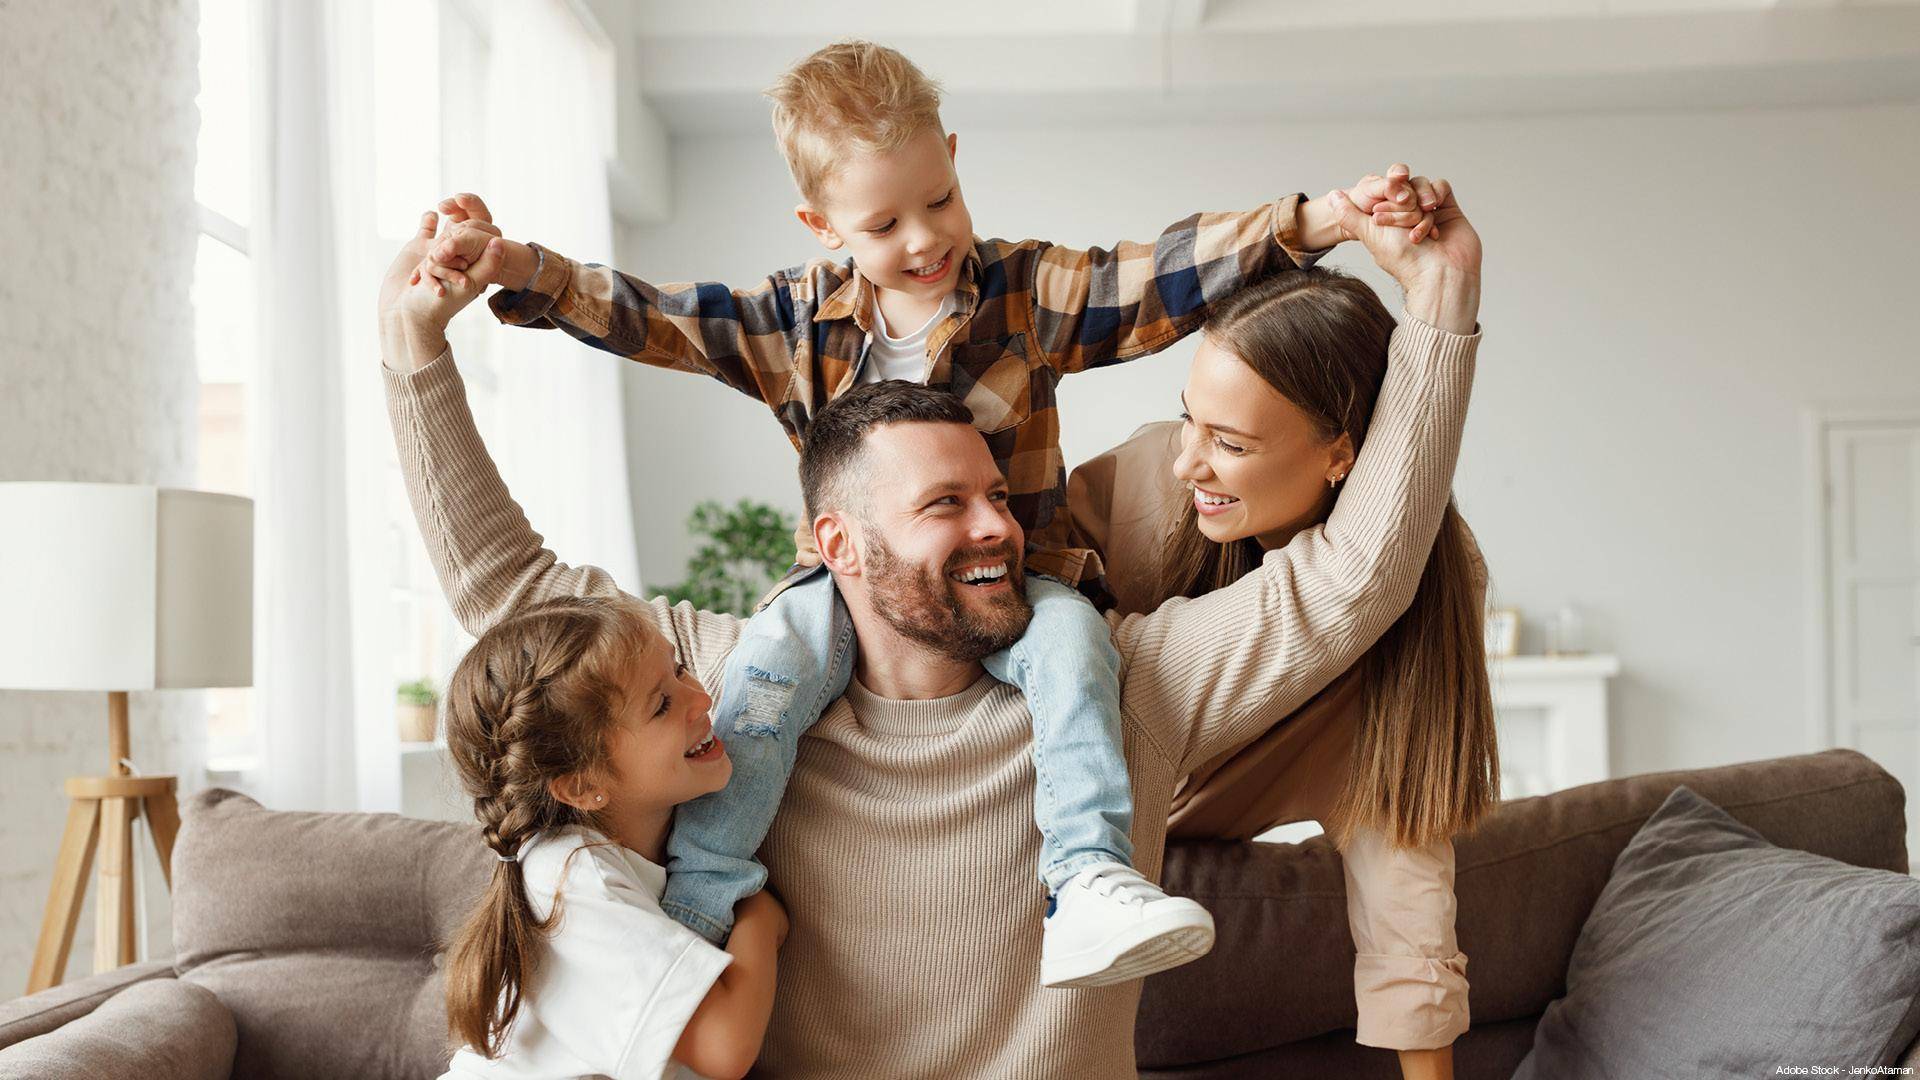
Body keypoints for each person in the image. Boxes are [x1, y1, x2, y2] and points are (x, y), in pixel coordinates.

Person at [378, 165, 1480, 1077]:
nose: (998, 526)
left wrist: (1442, 296)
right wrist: (413, 347)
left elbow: (1358, 576)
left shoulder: (1122, 685)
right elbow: (508, 592)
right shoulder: (729, 706)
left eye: (996, 493)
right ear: (837, 547)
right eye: (945, 506)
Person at [1069, 215, 1495, 1079]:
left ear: (1340, 452)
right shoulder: (1145, 487)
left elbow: (1401, 850)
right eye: (1188, 419)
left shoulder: (1421, 596)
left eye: (1230, 444)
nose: (1190, 462)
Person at [436, 595, 788, 1080]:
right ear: (582, 785)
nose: (704, 698)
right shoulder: (571, 877)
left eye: (680, 669)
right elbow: (722, 1047)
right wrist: (759, 916)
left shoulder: (668, 844)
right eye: (662, 705)